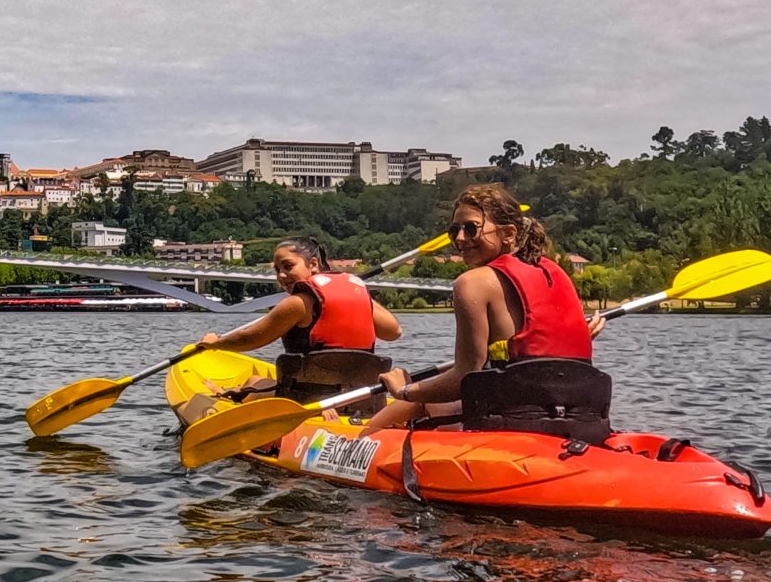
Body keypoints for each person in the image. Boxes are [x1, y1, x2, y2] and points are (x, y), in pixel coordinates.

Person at [370, 184, 603, 430]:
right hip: (577, 416)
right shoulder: (554, 272)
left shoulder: (472, 283)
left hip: (513, 421)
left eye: (471, 229)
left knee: (413, 407)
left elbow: (464, 378)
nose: (460, 239)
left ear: (509, 233)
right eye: (454, 231)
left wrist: (405, 390)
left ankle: (356, 445)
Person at [197, 236, 402, 365]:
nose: (282, 275)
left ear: (313, 264)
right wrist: (355, 290)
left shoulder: (297, 304)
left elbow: (251, 339)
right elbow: (394, 332)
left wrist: (216, 344)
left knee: (253, 385)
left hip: (309, 395)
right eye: (277, 270)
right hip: (358, 395)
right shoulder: (356, 292)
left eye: (288, 266)